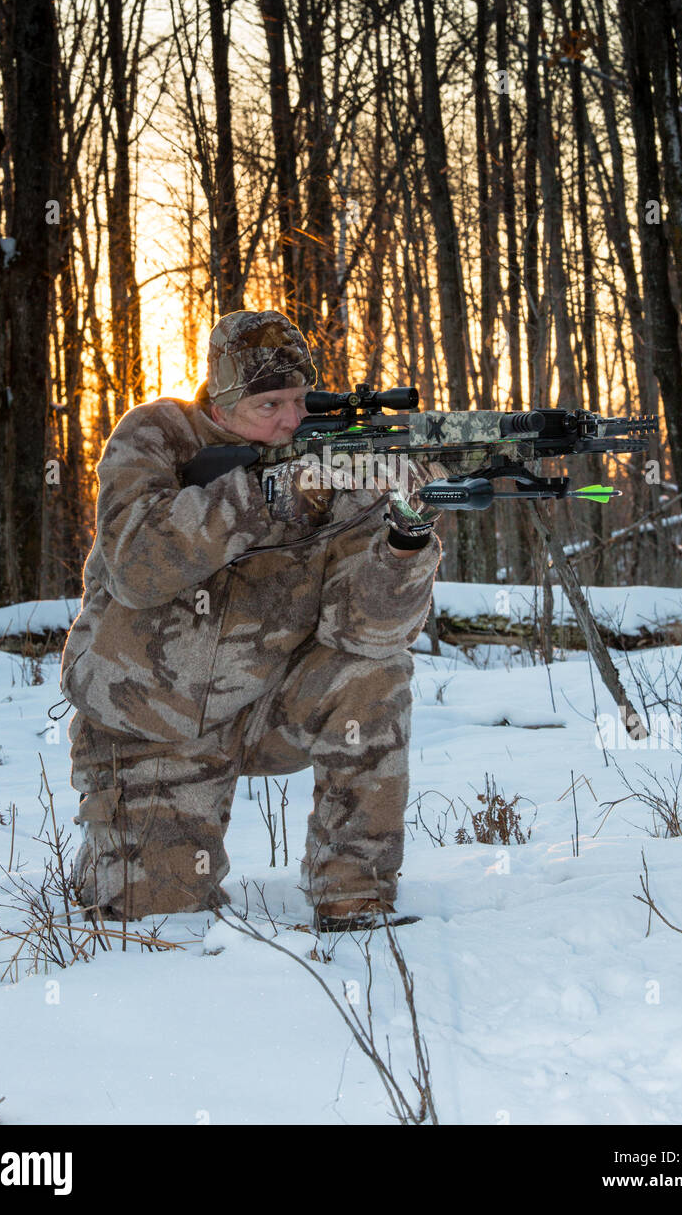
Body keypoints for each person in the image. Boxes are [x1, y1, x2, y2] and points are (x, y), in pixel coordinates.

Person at [60, 308, 445, 932]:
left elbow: (364, 631)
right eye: (269, 404)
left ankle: (354, 898)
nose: (290, 419)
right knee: (156, 918)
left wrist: (406, 537)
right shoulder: (156, 435)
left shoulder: (331, 463)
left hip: (268, 706)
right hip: (150, 719)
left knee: (376, 673)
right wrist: (262, 497)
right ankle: (117, 840)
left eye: (298, 399)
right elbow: (136, 566)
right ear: (222, 400)